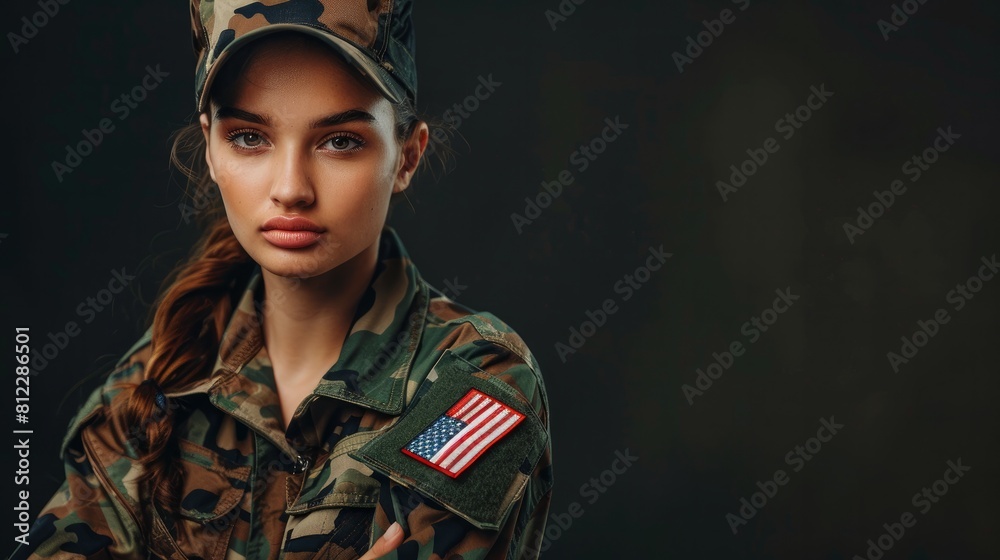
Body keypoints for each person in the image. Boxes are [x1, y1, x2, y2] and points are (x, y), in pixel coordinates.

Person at [10, 1, 553, 558]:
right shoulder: (152, 387)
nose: (291, 188)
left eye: (340, 140)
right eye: (250, 137)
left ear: (407, 157)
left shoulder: (474, 385)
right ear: (211, 150)